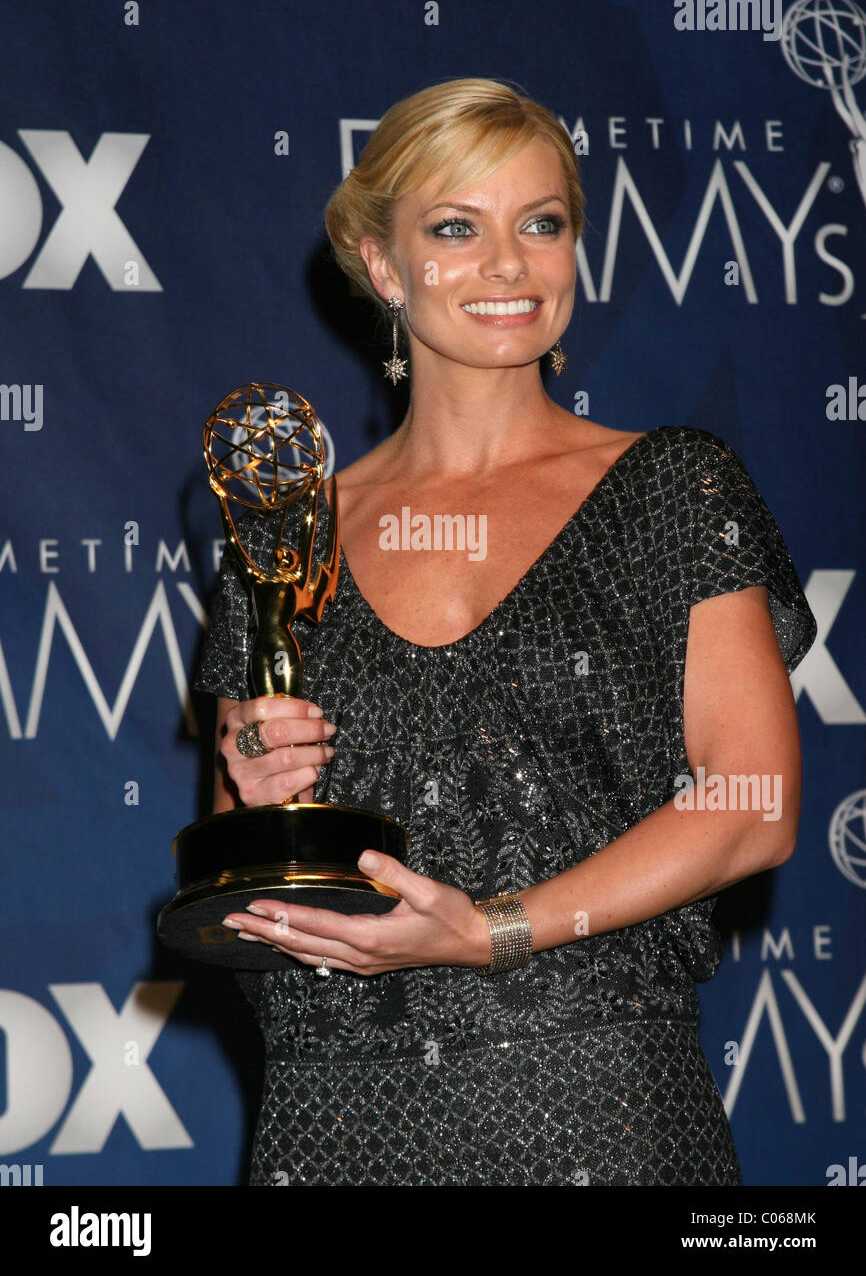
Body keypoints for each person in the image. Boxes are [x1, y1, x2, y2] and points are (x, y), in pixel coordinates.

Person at [194, 77, 817, 1186]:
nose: (507, 264)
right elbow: (244, 856)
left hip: (594, 1112)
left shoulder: (669, 485)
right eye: (454, 228)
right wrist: (249, 777)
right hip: (332, 1115)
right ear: (383, 266)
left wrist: (491, 930)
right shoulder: (286, 531)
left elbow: (751, 807)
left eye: (541, 223)